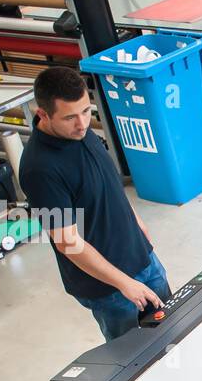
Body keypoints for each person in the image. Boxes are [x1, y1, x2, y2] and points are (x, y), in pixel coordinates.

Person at [19, 67, 170, 342]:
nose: (82, 124)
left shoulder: (79, 132)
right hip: (109, 288)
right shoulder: (39, 169)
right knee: (133, 355)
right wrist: (124, 283)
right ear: (43, 114)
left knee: (173, 328)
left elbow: (107, 185)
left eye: (86, 111)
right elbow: (68, 243)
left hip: (142, 257)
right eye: (70, 117)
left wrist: (136, 221)